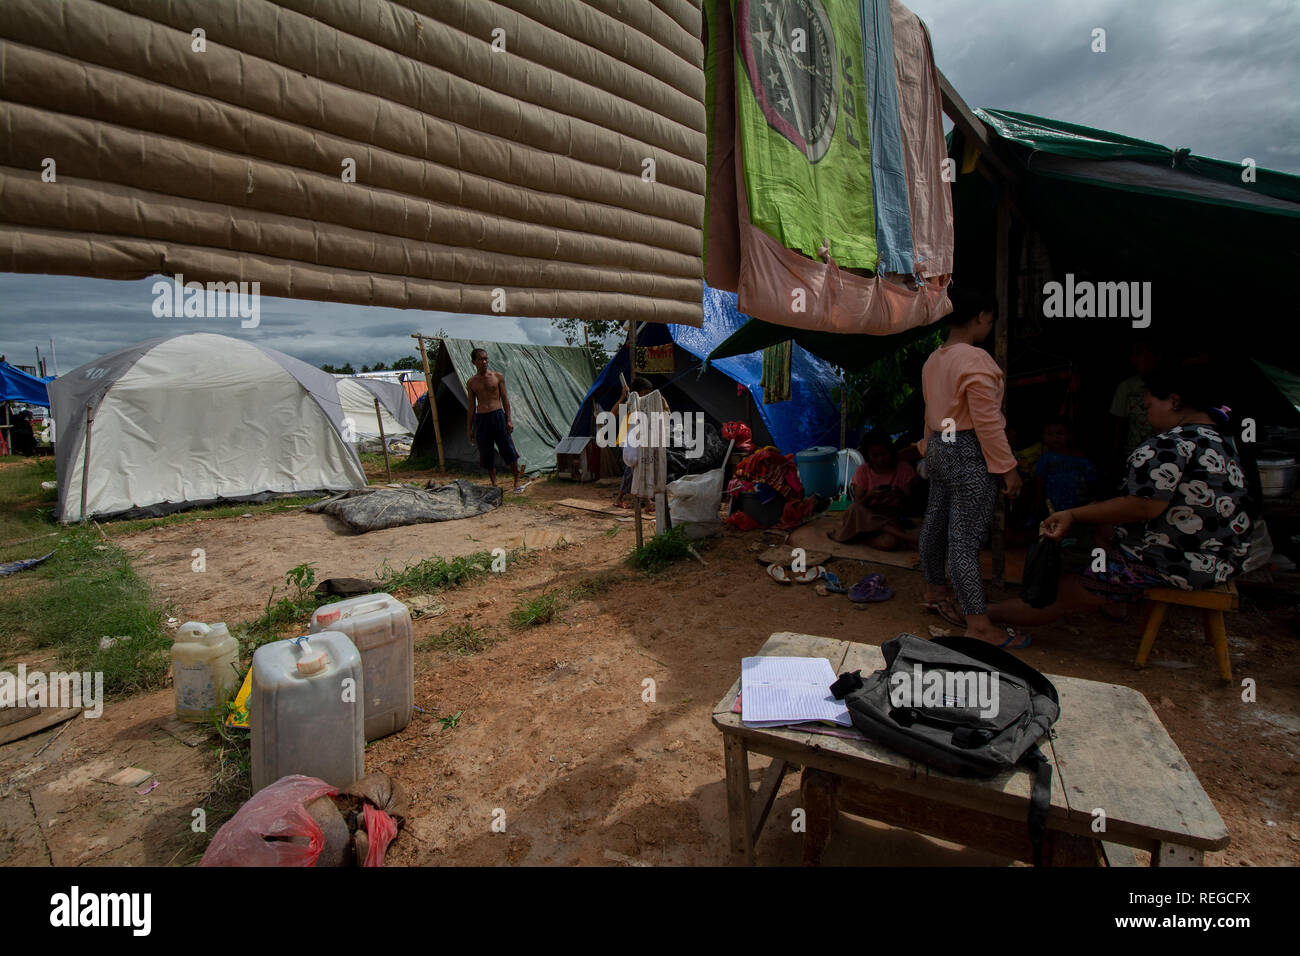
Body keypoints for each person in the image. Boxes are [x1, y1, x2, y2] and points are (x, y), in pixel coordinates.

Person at [987, 366, 1255, 629]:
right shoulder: (1224, 441)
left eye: (1148, 407)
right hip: (1224, 559)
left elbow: (1143, 507)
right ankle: (1114, 599)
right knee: (1105, 526)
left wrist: (1073, 514)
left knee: (1058, 596)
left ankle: (984, 615)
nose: (1146, 414)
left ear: (1174, 402)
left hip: (1179, 562)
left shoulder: (1169, 445)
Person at [916, 288, 1024, 646]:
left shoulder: (934, 359)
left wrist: (926, 449)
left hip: (939, 446)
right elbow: (987, 422)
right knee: (964, 540)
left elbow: (930, 413)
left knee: (936, 522)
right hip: (967, 449)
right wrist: (1008, 468)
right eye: (990, 320)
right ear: (981, 315)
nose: (990, 326)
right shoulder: (976, 360)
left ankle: (935, 590)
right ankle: (979, 625)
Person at [829, 430, 918, 550]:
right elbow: (858, 505)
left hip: (890, 518)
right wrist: (870, 495)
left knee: (889, 543)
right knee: (854, 509)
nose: (880, 459)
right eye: (875, 456)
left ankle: (860, 538)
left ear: (891, 451)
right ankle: (906, 537)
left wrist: (898, 495)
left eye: (884, 454)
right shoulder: (863, 471)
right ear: (868, 455)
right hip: (864, 517)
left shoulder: (903, 469)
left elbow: (910, 506)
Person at [465, 347, 523, 491]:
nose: (484, 362)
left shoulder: (497, 377)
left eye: (486, 358)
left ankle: (516, 480)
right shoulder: (471, 382)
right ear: (474, 362)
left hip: (497, 415)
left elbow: (505, 399)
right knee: (486, 452)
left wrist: (508, 419)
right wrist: (469, 428)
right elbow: (471, 406)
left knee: (508, 448)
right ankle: (494, 483)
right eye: (480, 359)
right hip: (481, 419)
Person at [1110, 343, 1161, 465]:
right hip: (1134, 455)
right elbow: (1119, 426)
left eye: (1139, 353)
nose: (1133, 359)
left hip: (1161, 454)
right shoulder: (1127, 387)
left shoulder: (1173, 388)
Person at [1033, 420, 1097, 516]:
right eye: (1050, 434)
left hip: (1080, 504)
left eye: (1060, 433)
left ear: (1069, 435)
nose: (1056, 437)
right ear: (1043, 437)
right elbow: (1040, 480)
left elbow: (1091, 479)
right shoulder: (1045, 459)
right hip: (1054, 504)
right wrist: (1039, 499)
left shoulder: (1080, 457)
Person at [614, 377, 657, 513]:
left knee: (636, 471)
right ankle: (643, 501)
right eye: (644, 393)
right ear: (637, 393)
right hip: (628, 443)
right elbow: (612, 413)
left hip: (638, 442)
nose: (647, 396)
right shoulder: (630, 404)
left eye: (648, 393)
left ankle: (644, 501)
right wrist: (622, 397)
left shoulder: (645, 405)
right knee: (635, 471)